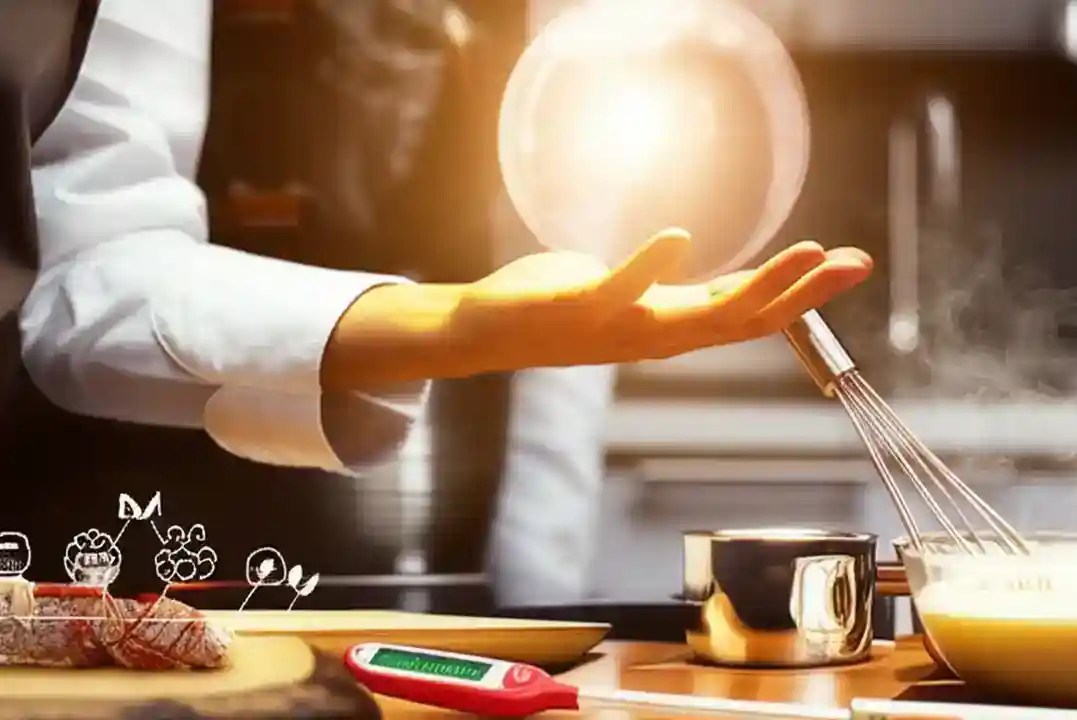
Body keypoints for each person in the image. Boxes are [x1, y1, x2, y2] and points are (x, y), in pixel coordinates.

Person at [0, 0, 871, 591]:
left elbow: (584, 273)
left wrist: (536, 594)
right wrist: (454, 324)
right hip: (110, 518)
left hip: (443, 510)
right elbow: (83, 269)